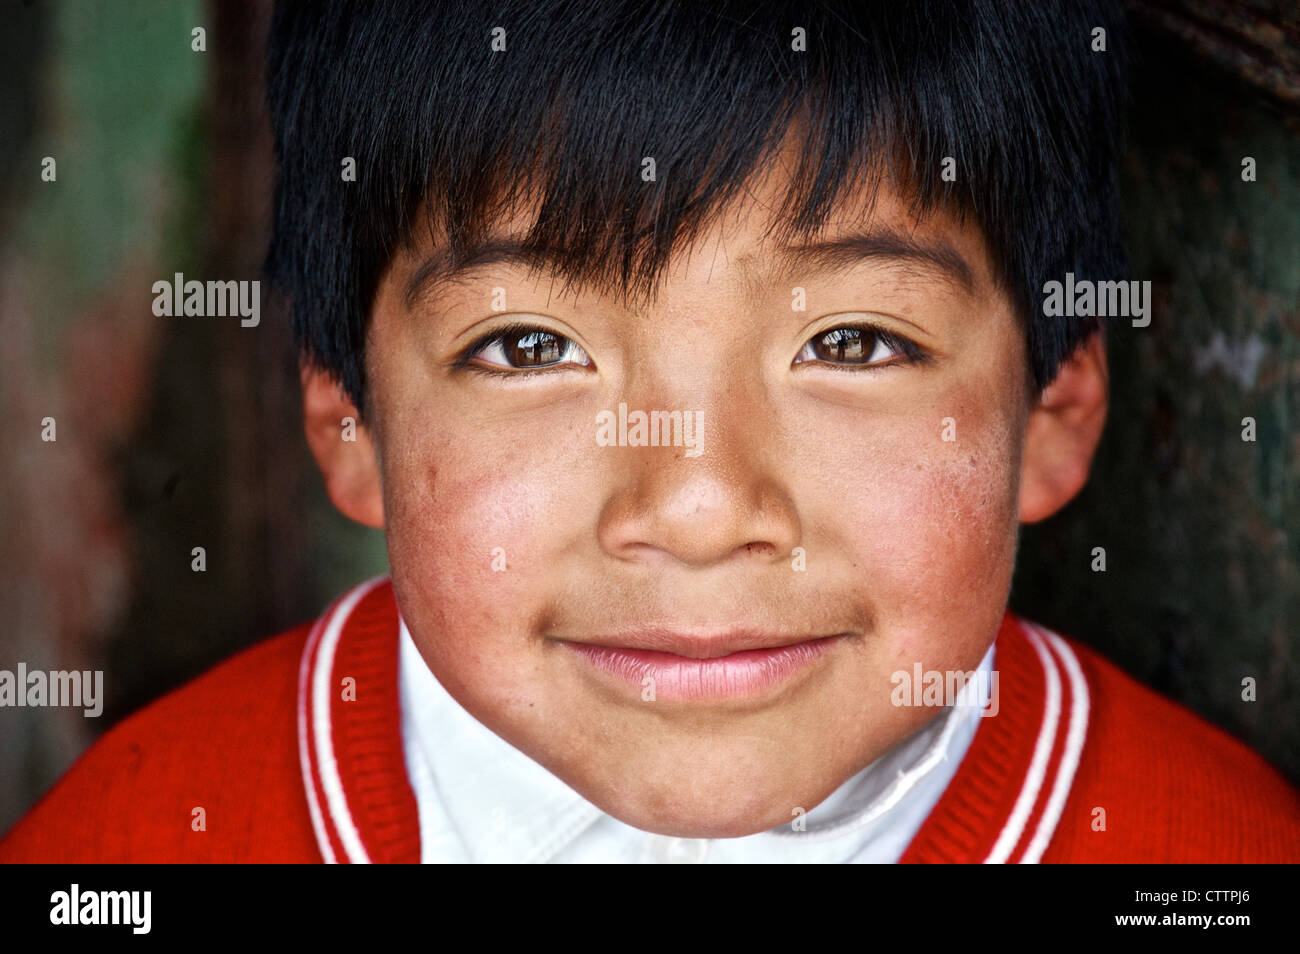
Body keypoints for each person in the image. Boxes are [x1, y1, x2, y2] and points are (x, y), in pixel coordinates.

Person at [4, 0, 1298, 863]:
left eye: (852, 342)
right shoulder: (140, 842)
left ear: (1051, 413)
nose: (693, 502)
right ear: (350, 419)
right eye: (528, 347)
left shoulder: (1202, 855)